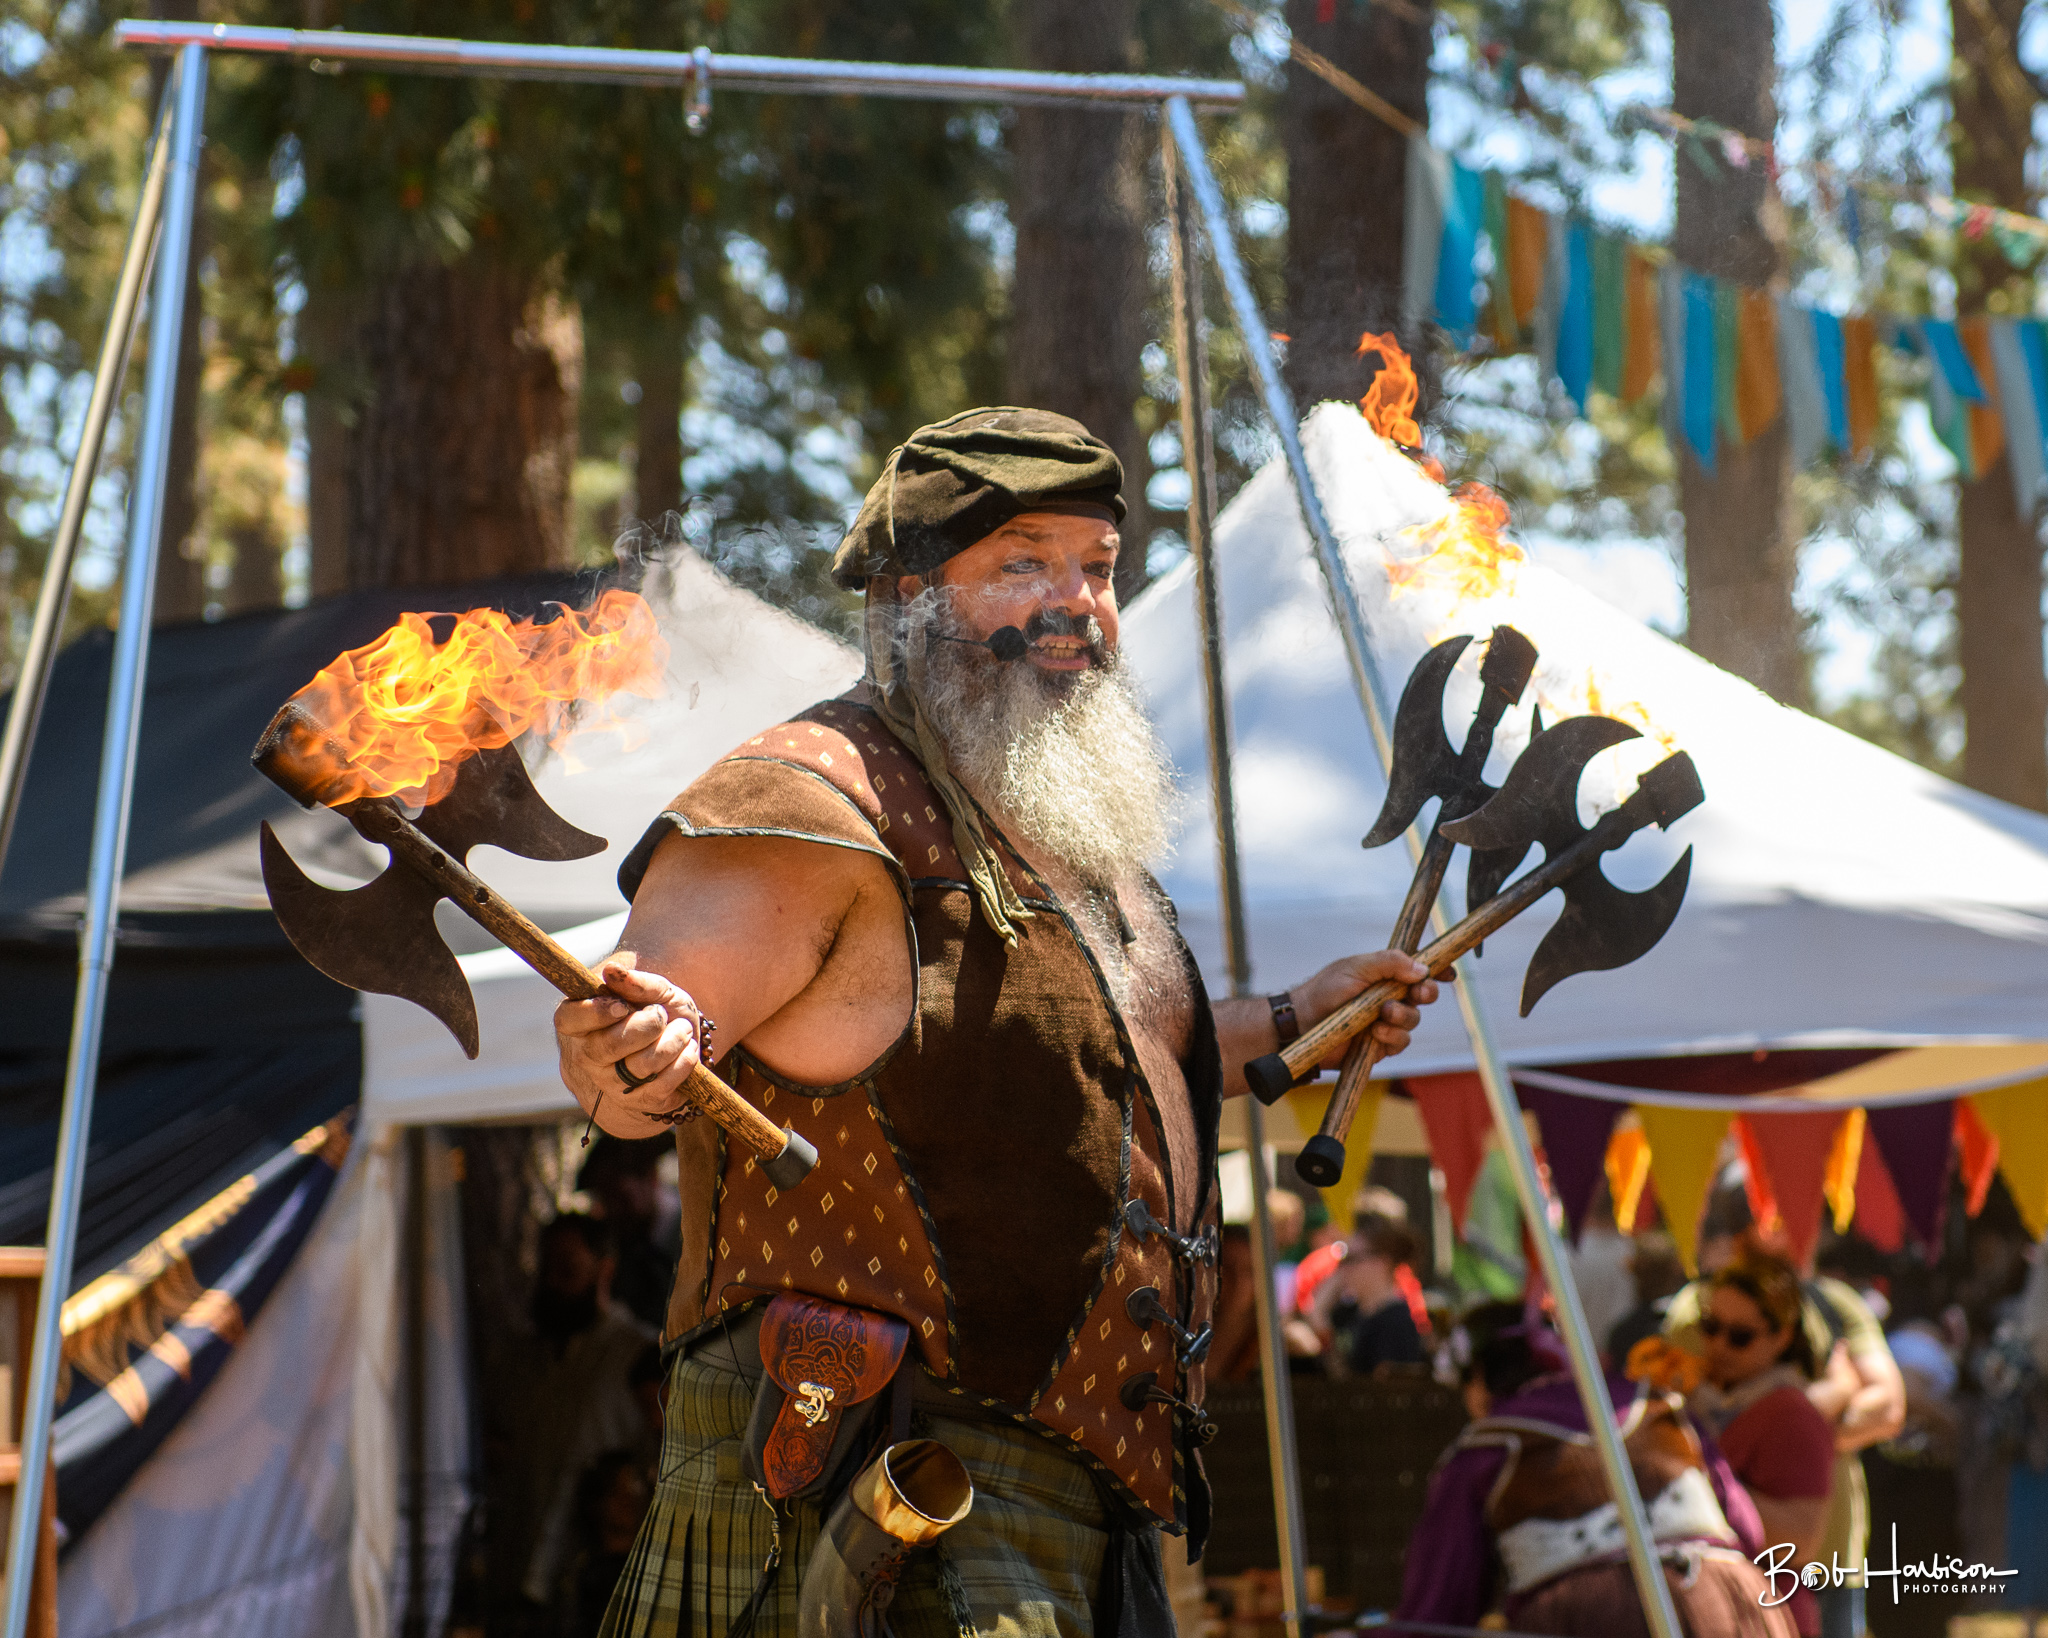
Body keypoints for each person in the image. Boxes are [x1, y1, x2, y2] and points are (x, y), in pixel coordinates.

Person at [550, 408, 1445, 1633]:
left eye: (1098, 566)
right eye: (1023, 561)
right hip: (868, 1479)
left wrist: (1298, 1019)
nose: (1076, 599)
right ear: (910, 595)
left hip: (1083, 1493)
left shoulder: (1070, 836)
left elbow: (1092, 1075)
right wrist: (626, 1051)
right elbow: (636, 1062)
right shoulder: (806, 801)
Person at [1398, 1301, 1792, 1638]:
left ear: (1479, 1380)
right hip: (1733, 1603)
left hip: (1591, 1617)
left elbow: (1438, 1605)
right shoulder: (1658, 1405)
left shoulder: (1485, 1449)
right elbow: (1747, 1530)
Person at [1670, 1203, 1905, 1638]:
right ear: (1744, 1229)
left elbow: (1888, 1408)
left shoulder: (1836, 1303)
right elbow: (1672, 1405)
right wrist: (1827, 1399)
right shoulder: (1697, 1305)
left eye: (1803, 1206)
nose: (1720, 1343)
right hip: (1717, 1562)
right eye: (1773, 1214)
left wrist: (1797, 1428)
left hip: (1827, 1554)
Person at [512, 1215, 657, 1624]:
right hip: (524, 1565)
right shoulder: (525, 1359)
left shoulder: (636, 1354)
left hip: (604, 1577)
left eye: (569, 1267)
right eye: (548, 1267)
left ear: (604, 1269)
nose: (555, 1282)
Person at [1683, 1253, 1837, 1638]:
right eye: (1710, 1327)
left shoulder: (1791, 1412)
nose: (1718, 1345)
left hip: (1767, 1617)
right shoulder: (1704, 1398)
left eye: (1740, 1337)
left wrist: (1698, 1484)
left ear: (1782, 1336)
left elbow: (1803, 1537)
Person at [1321, 1213, 1429, 1375]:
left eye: (1351, 1259)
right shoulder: (1349, 1313)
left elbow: (1384, 1391)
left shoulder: (1396, 1320)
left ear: (1381, 1262)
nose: (1343, 1269)